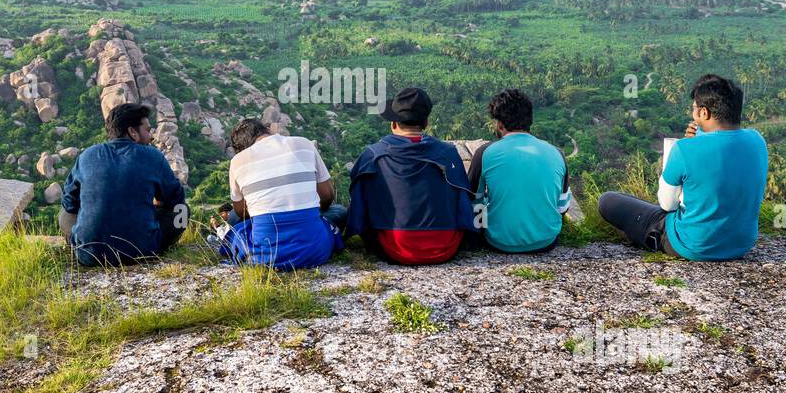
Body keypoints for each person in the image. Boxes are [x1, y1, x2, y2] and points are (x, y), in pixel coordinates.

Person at [597, 74, 768, 261]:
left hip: (692, 244)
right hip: (741, 244)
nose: (693, 113)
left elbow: (667, 204)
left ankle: (652, 238)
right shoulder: (757, 140)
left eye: (694, 108)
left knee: (608, 201)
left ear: (704, 113)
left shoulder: (684, 148)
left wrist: (686, 146)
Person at [345, 87, 477, 265]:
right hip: (446, 246)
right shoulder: (448, 154)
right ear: (426, 122)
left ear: (393, 124)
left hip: (394, 247)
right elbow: (463, 201)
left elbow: (358, 204)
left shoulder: (373, 155)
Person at [60, 102, 188, 266]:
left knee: (64, 213)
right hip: (142, 251)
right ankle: (163, 247)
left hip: (89, 255)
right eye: (147, 130)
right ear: (132, 132)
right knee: (183, 211)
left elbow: (69, 202)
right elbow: (176, 198)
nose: (151, 137)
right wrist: (157, 205)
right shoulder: (153, 156)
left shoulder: (87, 155)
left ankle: (80, 243)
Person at [210, 118, 346, 270]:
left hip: (265, 255)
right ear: (266, 130)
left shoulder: (238, 160)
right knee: (339, 211)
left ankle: (223, 234)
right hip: (316, 250)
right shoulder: (304, 143)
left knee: (236, 219)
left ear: (241, 147)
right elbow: (327, 196)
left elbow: (241, 212)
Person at [468, 88, 571, 253]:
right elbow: (563, 208)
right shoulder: (557, 153)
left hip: (498, 242)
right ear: (530, 120)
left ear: (500, 124)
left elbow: (473, 203)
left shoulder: (484, 153)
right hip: (546, 241)